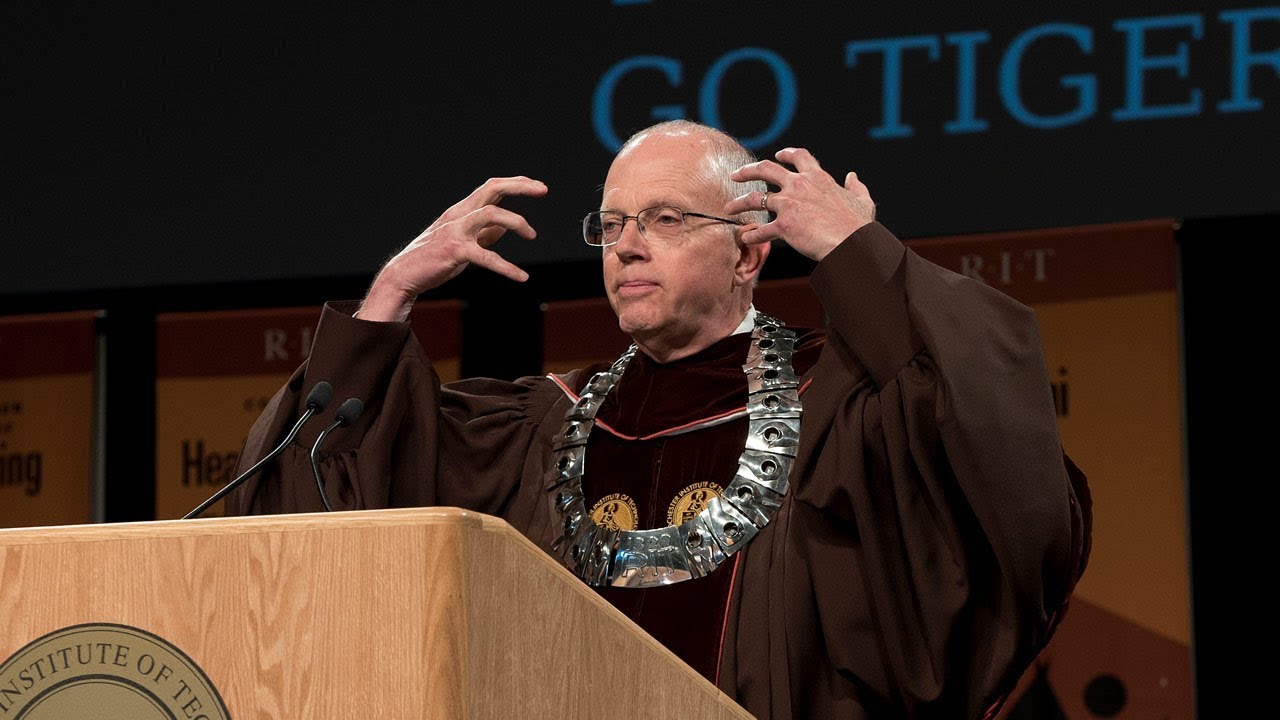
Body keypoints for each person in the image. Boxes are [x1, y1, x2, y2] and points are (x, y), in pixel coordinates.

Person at [226, 120, 1091, 719]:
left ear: (751, 251)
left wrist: (865, 258)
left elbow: (998, 467)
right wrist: (389, 296)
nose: (627, 245)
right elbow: (324, 494)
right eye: (610, 225)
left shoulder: (841, 408)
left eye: (666, 219)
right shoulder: (536, 428)